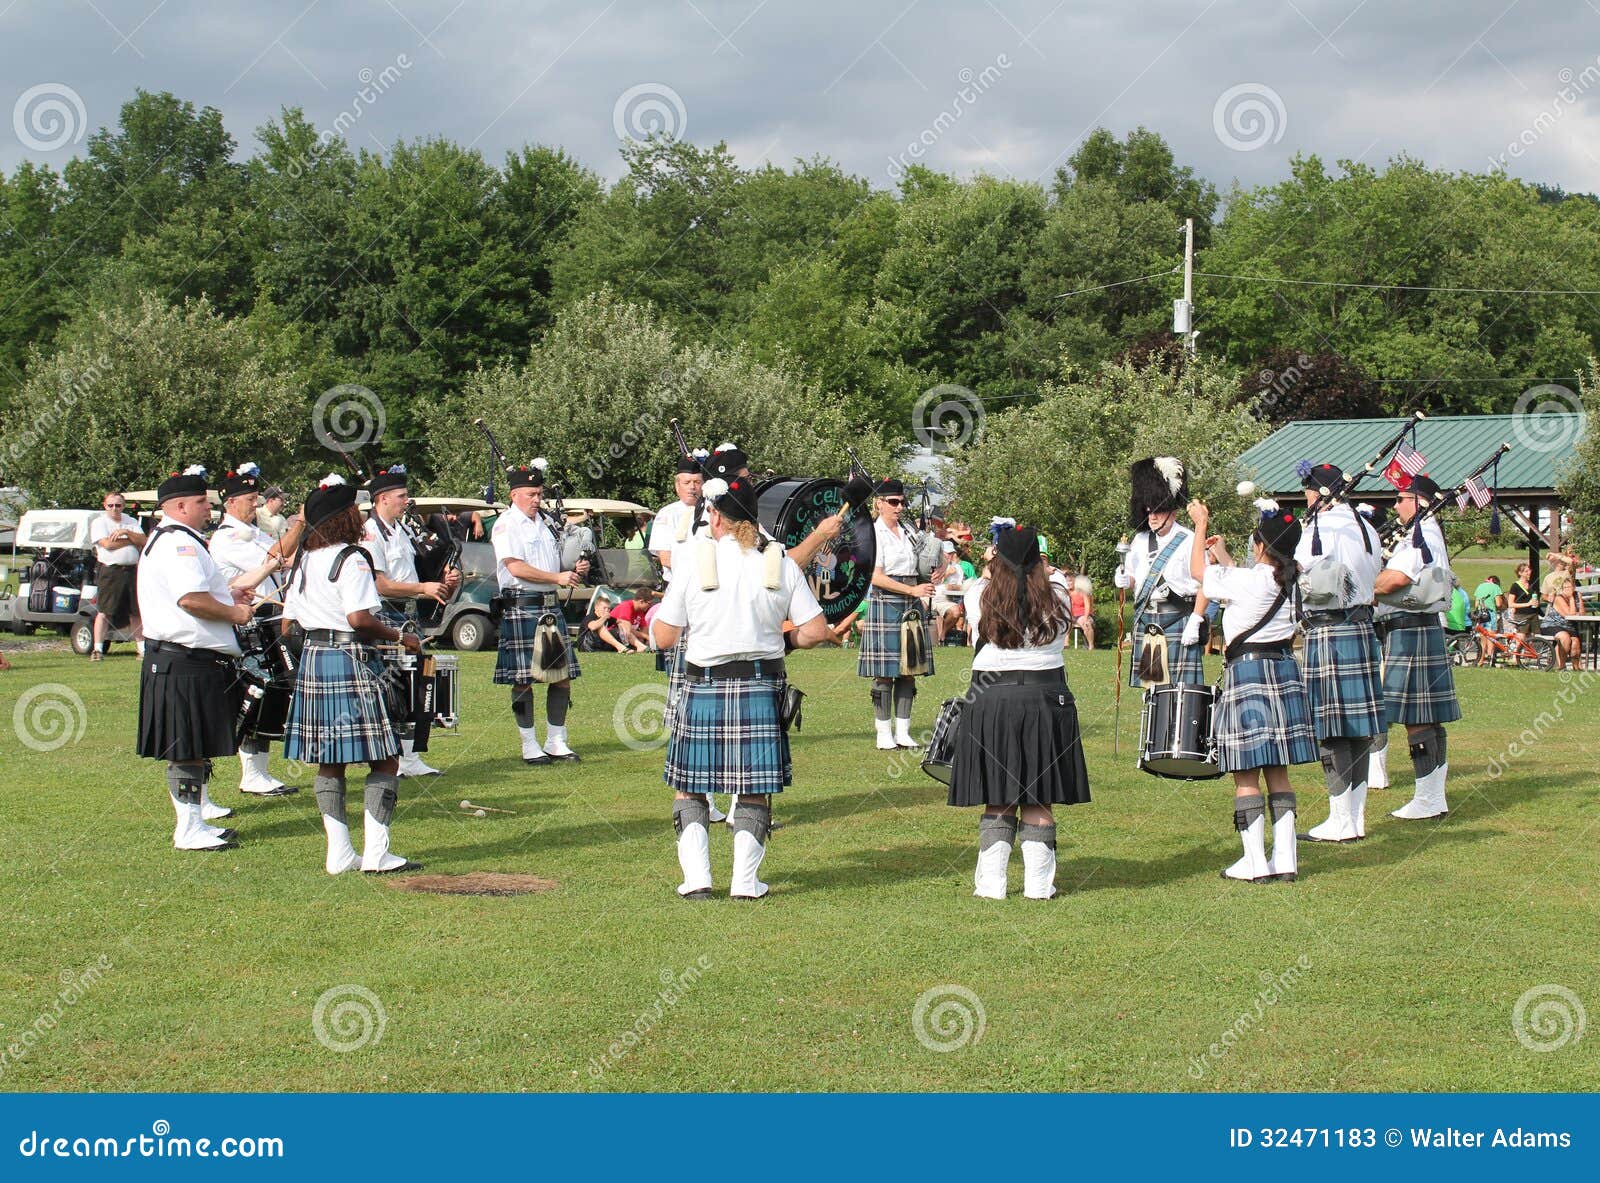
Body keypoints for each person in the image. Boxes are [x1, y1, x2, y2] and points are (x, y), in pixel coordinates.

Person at [652, 474, 830, 900]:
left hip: (704, 684)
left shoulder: (695, 562)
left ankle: (697, 881)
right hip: (760, 683)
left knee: (690, 785)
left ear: (716, 518)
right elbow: (816, 631)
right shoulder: (780, 560)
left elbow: (662, 638)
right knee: (754, 788)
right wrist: (783, 640)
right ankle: (745, 884)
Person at [281, 476, 421, 874]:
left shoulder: (305, 560)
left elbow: (287, 626)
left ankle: (339, 854)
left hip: (315, 659)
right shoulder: (353, 557)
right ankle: (377, 855)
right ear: (342, 517)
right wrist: (400, 637)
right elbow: (359, 619)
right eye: (353, 510)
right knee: (384, 758)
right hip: (351, 661)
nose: (359, 515)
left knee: (331, 760)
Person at [951, 525, 1090, 900]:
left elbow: (984, 590)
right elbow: (1054, 579)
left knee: (998, 796)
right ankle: (1038, 887)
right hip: (1046, 697)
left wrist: (991, 564)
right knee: (1038, 796)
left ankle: (992, 887)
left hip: (992, 697)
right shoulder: (1060, 594)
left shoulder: (978, 592)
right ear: (1038, 560)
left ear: (997, 559)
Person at [1191, 498, 1318, 882]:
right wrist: (1225, 555)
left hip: (1249, 675)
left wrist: (1200, 525)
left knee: (1246, 773)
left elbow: (1199, 572)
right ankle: (1286, 859)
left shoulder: (1250, 580)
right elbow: (1250, 584)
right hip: (1283, 672)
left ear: (1261, 547)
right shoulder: (1294, 579)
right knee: (1277, 771)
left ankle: (1253, 862)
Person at [136, 465, 254, 853]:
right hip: (183, 660)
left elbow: (197, 596)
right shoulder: (179, 544)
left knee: (193, 746)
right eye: (203, 502)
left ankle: (195, 822)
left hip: (180, 659)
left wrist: (228, 601)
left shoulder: (173, 539)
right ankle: (188, 829)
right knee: (186, 748)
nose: (209, 508)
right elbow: (190, 599)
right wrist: (235, 614)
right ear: (180, 506)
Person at [1294, 461, 1385, 844]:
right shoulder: (1367, 528)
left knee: (1330, 731)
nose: (1306, 499)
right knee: (1360, 730)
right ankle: (1355, 818)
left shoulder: (1318, 527)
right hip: (1363, 627)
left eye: (1308, 492)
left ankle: (1339, 819)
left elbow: (1297, 571)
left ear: (1318, 493)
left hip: (1329, 630)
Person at [208, 462, 303, 797]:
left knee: (276, 693)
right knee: (258, 692)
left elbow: (283, 559)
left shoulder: (252, 529)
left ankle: (259, 770)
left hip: (269, 622)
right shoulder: (228, 537)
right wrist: (302, 522)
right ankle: (250, 771)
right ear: (230, 503)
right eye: (250, 498)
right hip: (250, 622)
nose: (256, 503)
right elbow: (274, 556)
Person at [363, 464, 460, 777]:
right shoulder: (369, 534)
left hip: (408, 612)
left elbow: (418, 570)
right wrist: (423, 587)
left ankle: (409, 758)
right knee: (394, 687)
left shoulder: (401, 530)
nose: (407, 500)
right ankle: (394, 758)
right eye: (402, 495)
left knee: (416, 683)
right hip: (385, 613)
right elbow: (379, 584)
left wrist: (444, 579)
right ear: (383, 499)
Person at [1375, 476, 1461, 821]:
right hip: (1422, 629)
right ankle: (1432, 796)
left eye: (1400, 498)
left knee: (1417, 720)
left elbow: (1397, 578)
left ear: (1418, 500)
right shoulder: (1429, 532)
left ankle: (1427, 798)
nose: (1395, 506)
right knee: (1429, 720)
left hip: (1411, 629)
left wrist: (1365, 583)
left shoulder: (1419, 534)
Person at [493, 461, 588, 765]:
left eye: (539, 493)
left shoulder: (544, 523)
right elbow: (516, 567)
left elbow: (550, 566)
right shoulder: (506, 524)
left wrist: (570, 571)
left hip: (548, 605)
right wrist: (556, 578)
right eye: (531, 494)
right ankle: (528, 743)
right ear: (514, 494)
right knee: (524, 679)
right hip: (522, 605)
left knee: (560, 677)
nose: (537, 499)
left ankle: (556, 740)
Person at [1113, 457, 1209, 687]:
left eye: (1158, 510)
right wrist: (1126, 579)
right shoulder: (1139, 539)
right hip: (1148, 622)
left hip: (1179, 620)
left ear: (1172, 510)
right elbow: (1138, 580)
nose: (1152, 517)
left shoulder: (1189, 540)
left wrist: (1196, 620)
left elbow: (1206, 583)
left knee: (1181, 693)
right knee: (1151, 693)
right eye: (1148, 511)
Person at [859, 478, 936, 750]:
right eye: (893, 502)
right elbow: (875, 576)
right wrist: (912, 591)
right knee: (884, 673)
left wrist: (932, 572)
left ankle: (903, 731)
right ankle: (883, 733)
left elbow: (923, 564)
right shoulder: (873, 534)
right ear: (878, 503)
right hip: (887, 602)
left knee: (909, 670)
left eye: (903, 502)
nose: (900, 507)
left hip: (911, 601)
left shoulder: (908, 531)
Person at [89, 490, 145, 661]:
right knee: (104, 611)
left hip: (132, 571)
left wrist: (125, 533)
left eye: (118, 505)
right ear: (105, 506)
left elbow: (143, 540)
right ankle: (97, 649)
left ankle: (142, 650)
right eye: (111, 505)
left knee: (136, 612)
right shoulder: (100, 522)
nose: (115, 509)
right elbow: (107, 544)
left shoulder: (131, 521)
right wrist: (130, 539)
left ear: (123, 506)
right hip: (111, 571)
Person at [1542, 572, 1582, 670]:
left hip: (1569, 626)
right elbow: (1568, 614)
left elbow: (1582, 611)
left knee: (1575, 642)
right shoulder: (1559, 598)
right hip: (1552, 625)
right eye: (1565, 588)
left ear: (1574, 587)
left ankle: (1576, 668)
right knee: (1565, 637)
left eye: (1570, 587)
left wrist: (1577, 610)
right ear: (1562, 589)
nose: (1568, 589)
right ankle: (1561, 666)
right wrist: (1572, 599)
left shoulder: (1578, 595)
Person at [1507, 562, 1540, 638]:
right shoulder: (1515, 586)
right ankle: (1515, 650)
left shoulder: (1531, 585)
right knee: (1521, 639)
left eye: (1529, 570)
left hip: (1533, 614)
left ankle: (1527, 650)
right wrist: (1528, 604)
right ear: (1520, 573)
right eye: (1526, 571)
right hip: (1521, 616)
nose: (1529, 573)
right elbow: (1511, 604)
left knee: (1531, 640)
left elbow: (1534, 599)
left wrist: (1536, 603)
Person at [1070, 574, 1095, 649]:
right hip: (1072, 615)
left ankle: (1091, 646)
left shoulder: (1084, 593)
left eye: (1071, 581)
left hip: (1083, 615)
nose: (1069, 583)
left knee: (1086, 624)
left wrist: (1086, 617)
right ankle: (1065, 645)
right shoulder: (1068, 592)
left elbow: (1088, 605)